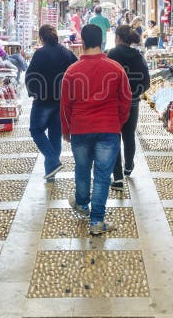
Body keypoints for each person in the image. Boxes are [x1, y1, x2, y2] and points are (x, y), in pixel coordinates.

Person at [61, 25, 131, 235]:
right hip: (108, 129)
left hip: (80, 129)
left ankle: (82, 203)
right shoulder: (115, 68)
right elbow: (126, 100)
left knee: (82, 169)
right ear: (102, 41)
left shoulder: (72, 71)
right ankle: (97, 222)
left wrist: (66, 130)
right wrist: (117, 122)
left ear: (82, 42)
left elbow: (65, 105)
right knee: (102, 176)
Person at [25, 25, 78, 182]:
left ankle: (53, 162)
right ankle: (51, 174)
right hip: (61, 101)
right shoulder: (66, 53)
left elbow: (30, 77)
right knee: (55, 135)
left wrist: (33, 93)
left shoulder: (40, 54)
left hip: (43, 101)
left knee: (36, 130)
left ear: (41, 38)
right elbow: (77, 71)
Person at [106, 26, 150, 191]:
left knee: (114, 137)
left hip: (114, 103)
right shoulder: (137, 56)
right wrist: (133, 94)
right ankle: (129, 166)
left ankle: (117, 178)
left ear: (117, 37)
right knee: (129, 135)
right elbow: (146, 82)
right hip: (132, 102)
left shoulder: (111, 54)